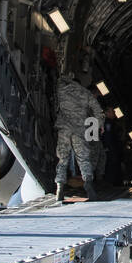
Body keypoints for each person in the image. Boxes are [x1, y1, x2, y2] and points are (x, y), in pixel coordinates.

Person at [54, 70, 103, 200]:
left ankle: (59, 187)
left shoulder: (60, 90)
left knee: (62, 159)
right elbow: (98, 111)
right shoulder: (86, 93)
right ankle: (88, 184)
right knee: (83, 158)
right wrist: (98, 126)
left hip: (64, 129)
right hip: (80, 129)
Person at [100, 105, 124, 186]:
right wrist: (107, 147)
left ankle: (112, 182)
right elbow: (107, 135)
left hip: (113, 147)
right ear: (107, 113)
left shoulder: (112, 123)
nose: (114, 113)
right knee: (110, 165)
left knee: (113, 165)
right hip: (110, 148)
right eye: (112, 111)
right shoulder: (107, 123)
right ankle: (109, 182)